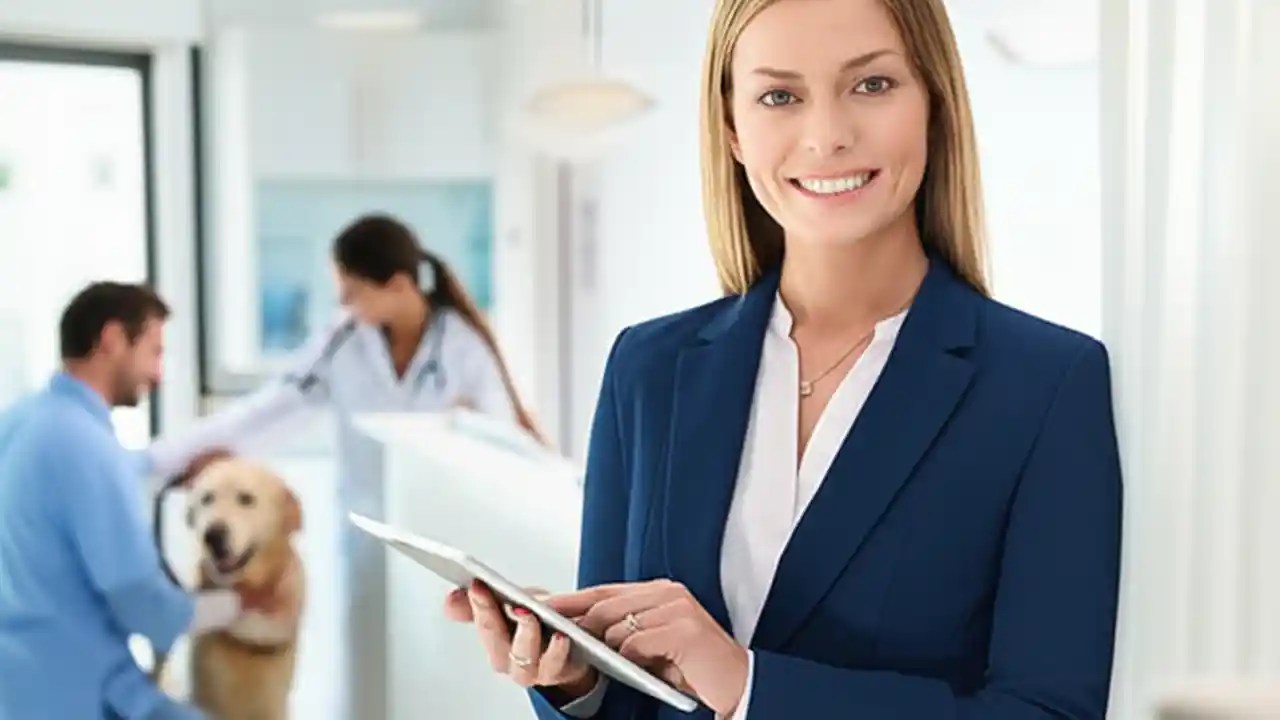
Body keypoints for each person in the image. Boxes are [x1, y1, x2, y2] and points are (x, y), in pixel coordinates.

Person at [446, 0, 1124, 718]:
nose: (827, 136)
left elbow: (1048, 713)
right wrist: (574, 683)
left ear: (935, 101)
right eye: (779, 96)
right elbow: (629, 697)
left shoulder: (1046, 386)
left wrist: (750, 685)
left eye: (872, 85)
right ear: (733, 128)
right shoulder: (649, 370)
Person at [143, 212, 543, 720]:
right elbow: (271, 408)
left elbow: (506, 449)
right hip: (365, 543)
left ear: (396, 285)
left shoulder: (461, 346)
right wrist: (163, 459)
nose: (343, 305)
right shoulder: (344, 341)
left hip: (443, 547)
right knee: (365, 684)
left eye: (351, 291)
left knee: (440, 684)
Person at [0, 282, 242, 720]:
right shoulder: (86, 445)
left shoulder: (24, 421)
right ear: (112, 340)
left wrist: (165, 467)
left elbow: (77, 489)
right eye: (154, 352)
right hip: (80, 693)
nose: (159, 374)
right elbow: (137, 595)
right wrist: (234, 606)